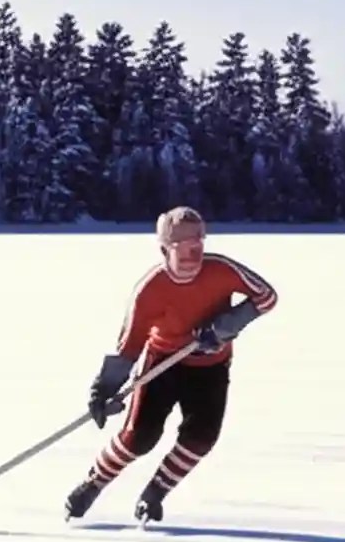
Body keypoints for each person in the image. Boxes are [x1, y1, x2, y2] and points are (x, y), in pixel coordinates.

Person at [64, 205, 278, 524]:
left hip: (211, 366)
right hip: (162, 364)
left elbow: (267, 297)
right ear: (165, 249)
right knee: (139, 437)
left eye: (199, 246)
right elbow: (129, 346)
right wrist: (103, 389)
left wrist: (227, 324)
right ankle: (94, 482)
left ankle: (154, 494)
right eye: (183, 249)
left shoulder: (221, 270)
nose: (193, 256)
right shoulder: (149, 290)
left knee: (201, 437)